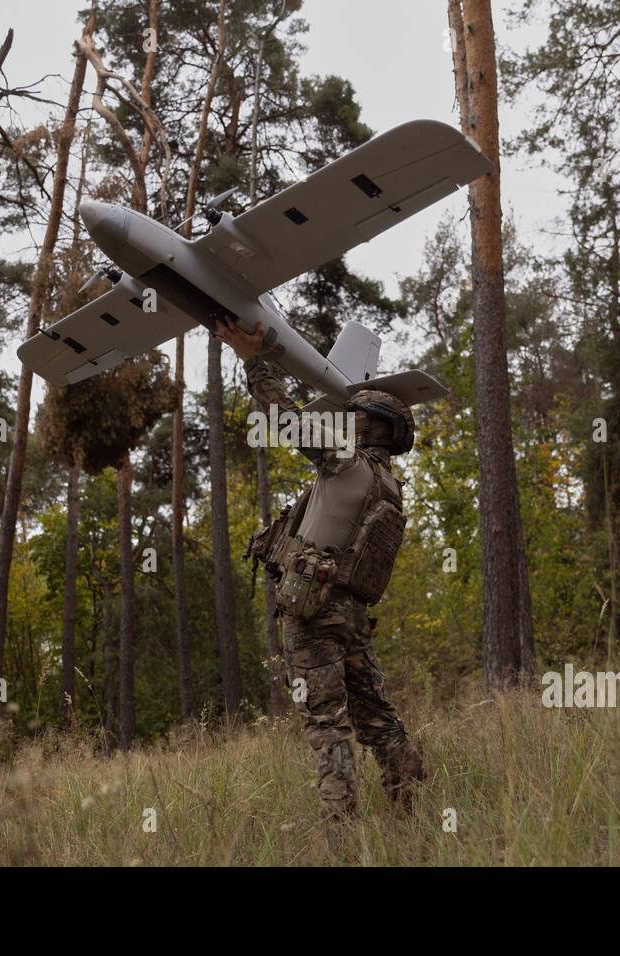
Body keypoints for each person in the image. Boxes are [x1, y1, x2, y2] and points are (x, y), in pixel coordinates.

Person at [218, 318, 426, 820]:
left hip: (313, 612)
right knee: (377, 715)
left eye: (354, 416)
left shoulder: (346, 463)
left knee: (326, 722)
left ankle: (343, 831)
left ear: (371, 426)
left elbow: (286, 421)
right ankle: (411, 806)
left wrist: (252, 359)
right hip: (351, 615)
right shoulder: (390, 487)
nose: (344, 421)